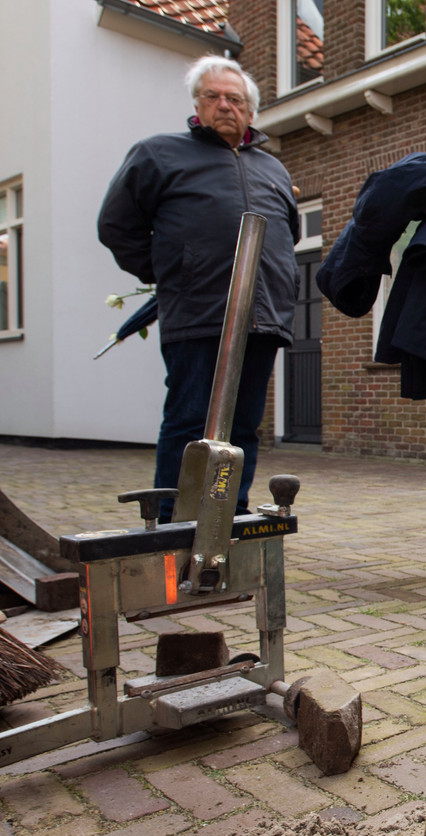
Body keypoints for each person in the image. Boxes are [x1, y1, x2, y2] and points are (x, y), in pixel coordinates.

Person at [98, 56, 300, 522]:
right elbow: (116, 226)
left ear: (250, 111)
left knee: (243, 426)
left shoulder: (271, 169)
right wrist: (172, 275)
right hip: (197, 313)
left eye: (235, 99)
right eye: (214, 97)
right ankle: (173, 519)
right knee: (190, 422)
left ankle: (229, 514)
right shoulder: (159, 155)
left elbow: (287, 233)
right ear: (196, 104)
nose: (225, 106)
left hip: (262, 318)